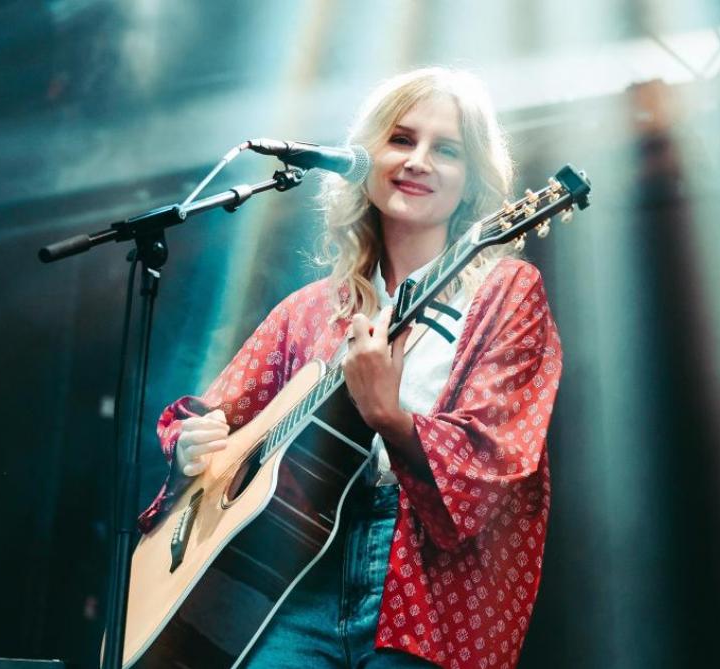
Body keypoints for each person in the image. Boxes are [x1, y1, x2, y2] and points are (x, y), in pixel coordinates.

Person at [139, 67, 562, 669]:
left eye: (446, 150)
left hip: (426, 587)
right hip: (291, 581)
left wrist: (389, 416)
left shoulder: (506, 291)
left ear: (471, 183)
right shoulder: (312, 309)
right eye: (400, 140)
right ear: (363, 159)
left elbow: (498, 460)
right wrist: (189, 444)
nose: (418, 161)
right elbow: (213, 413)